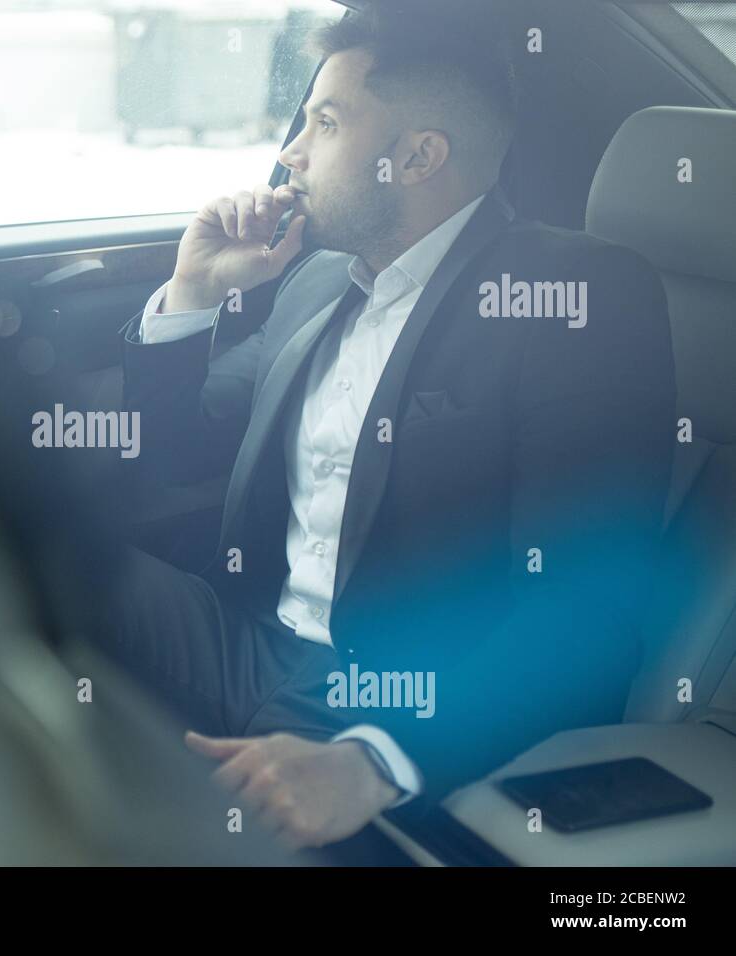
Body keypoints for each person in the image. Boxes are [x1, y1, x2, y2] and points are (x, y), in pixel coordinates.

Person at [98, 8, 676, 850]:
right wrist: (192, 292)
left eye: (325, 123)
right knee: (10, 574)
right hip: (249, 637)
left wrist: (373, 759)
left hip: (402, 690)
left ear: (417, 156)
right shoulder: (316, 283)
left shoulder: (573, 298)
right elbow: (175, 452)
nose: (291, 151)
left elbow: (585, 609)